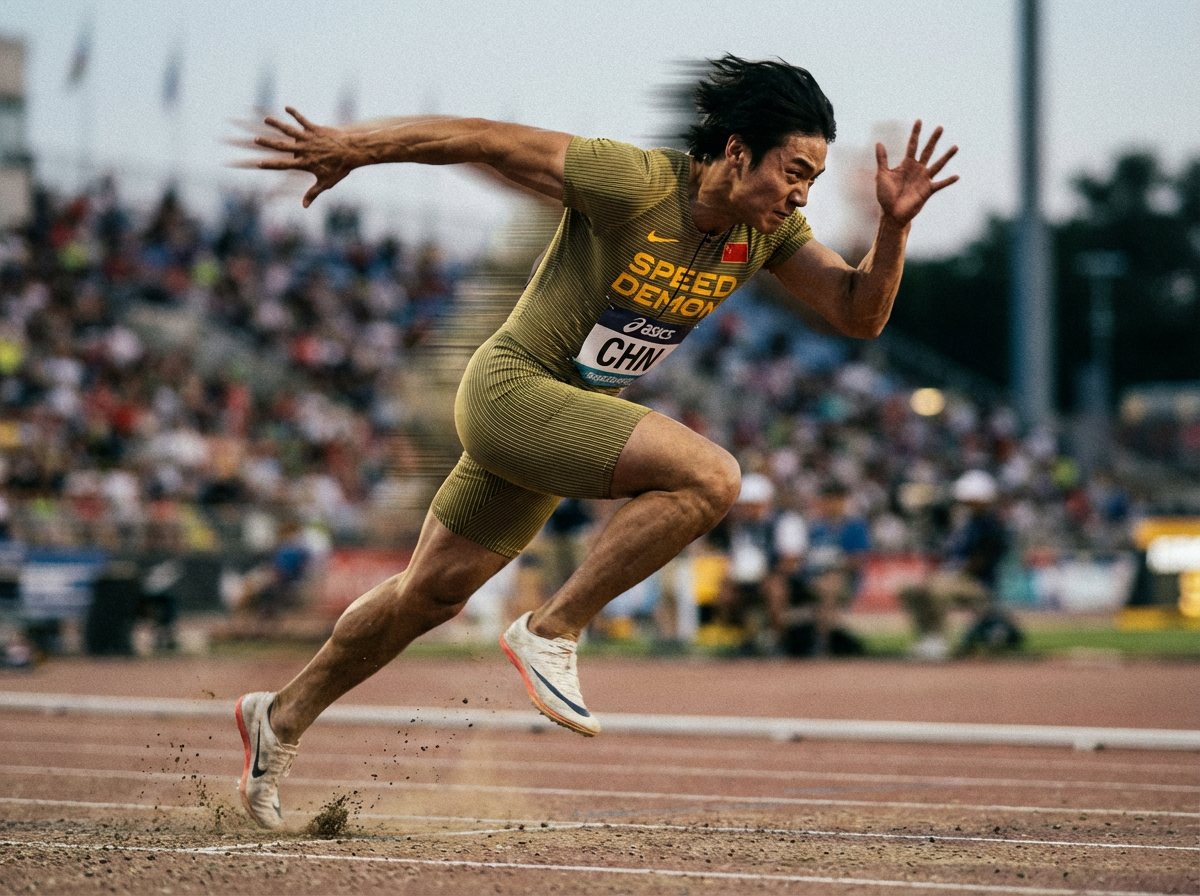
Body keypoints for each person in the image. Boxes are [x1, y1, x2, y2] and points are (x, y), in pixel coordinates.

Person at [233, 55, 958, 829]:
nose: (801, 193)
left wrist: (896, 225)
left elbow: (858, 313)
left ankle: (278, 718)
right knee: (711, 478)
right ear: (739, 150)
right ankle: (551, 630)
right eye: (794, 170)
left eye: (812, 179)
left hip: (558, 422)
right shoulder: (637, 182)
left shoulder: (770, 234)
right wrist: (356, 147)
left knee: (430, 595)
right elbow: (483, 138)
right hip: (512, 391)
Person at [900, 470, 1022, 659]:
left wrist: (950, 574)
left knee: (938, 588)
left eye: (969, 499)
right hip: (958, 580)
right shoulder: (966, 523)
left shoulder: (992, 526)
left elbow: (980, 562)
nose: (964, 502)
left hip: (980, 585)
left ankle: (939, 641)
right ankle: (928, 638)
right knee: (909, 590)